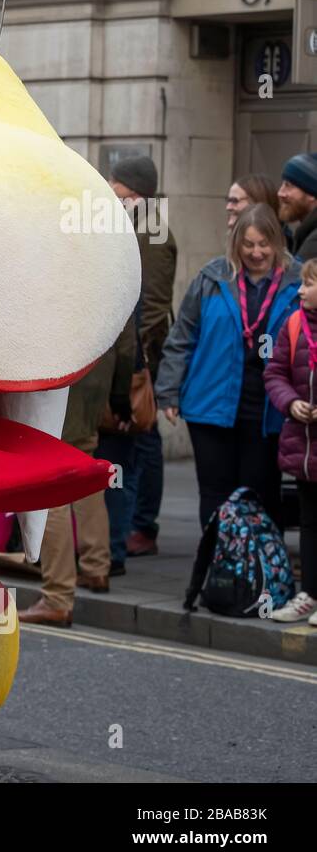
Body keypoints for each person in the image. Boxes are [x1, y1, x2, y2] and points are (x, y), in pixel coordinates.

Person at [157, 204, 299, 528]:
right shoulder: (212, 277)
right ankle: (216, 567)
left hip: (267, 408)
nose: (256, 253)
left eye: (264, 244)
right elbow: (182, 336)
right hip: (212, 403)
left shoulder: (296, 283)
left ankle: (257, 570)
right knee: (214, 492)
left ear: (277, 242)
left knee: (258, 493)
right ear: (236, 243)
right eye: (248, 245)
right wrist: (168, 392)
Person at [20, 315, 136, 626]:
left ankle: (57, 597)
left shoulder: (52, 265)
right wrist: (120, 392)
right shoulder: (111, 266)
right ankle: (96, 568)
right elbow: (127, 338)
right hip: (95, 377)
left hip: (56, 377)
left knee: (51, 480)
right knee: (84, 469)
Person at [105, 156, 177, 561]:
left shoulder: (152, 231)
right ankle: (134, 523)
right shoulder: (137, 225)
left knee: (144, 438)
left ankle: (143, 525)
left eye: (117, 194)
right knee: (138, 441)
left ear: (137, 195)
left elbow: (151, 302)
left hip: (141, 358)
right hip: (133, 353)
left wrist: (140, 357)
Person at [263, 258, 317, 623]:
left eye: (309, 284)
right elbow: (275, 372)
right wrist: (290, 402)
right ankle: (309, 594)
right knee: (310, 525)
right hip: (304, 450)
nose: (300, 290)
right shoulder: (294, 324)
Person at [281, 153, 317, 262]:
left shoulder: (313, 242)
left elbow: (296, 277)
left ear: (312, 194)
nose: (280, 193)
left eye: (288, 186)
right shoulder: (305, 232)